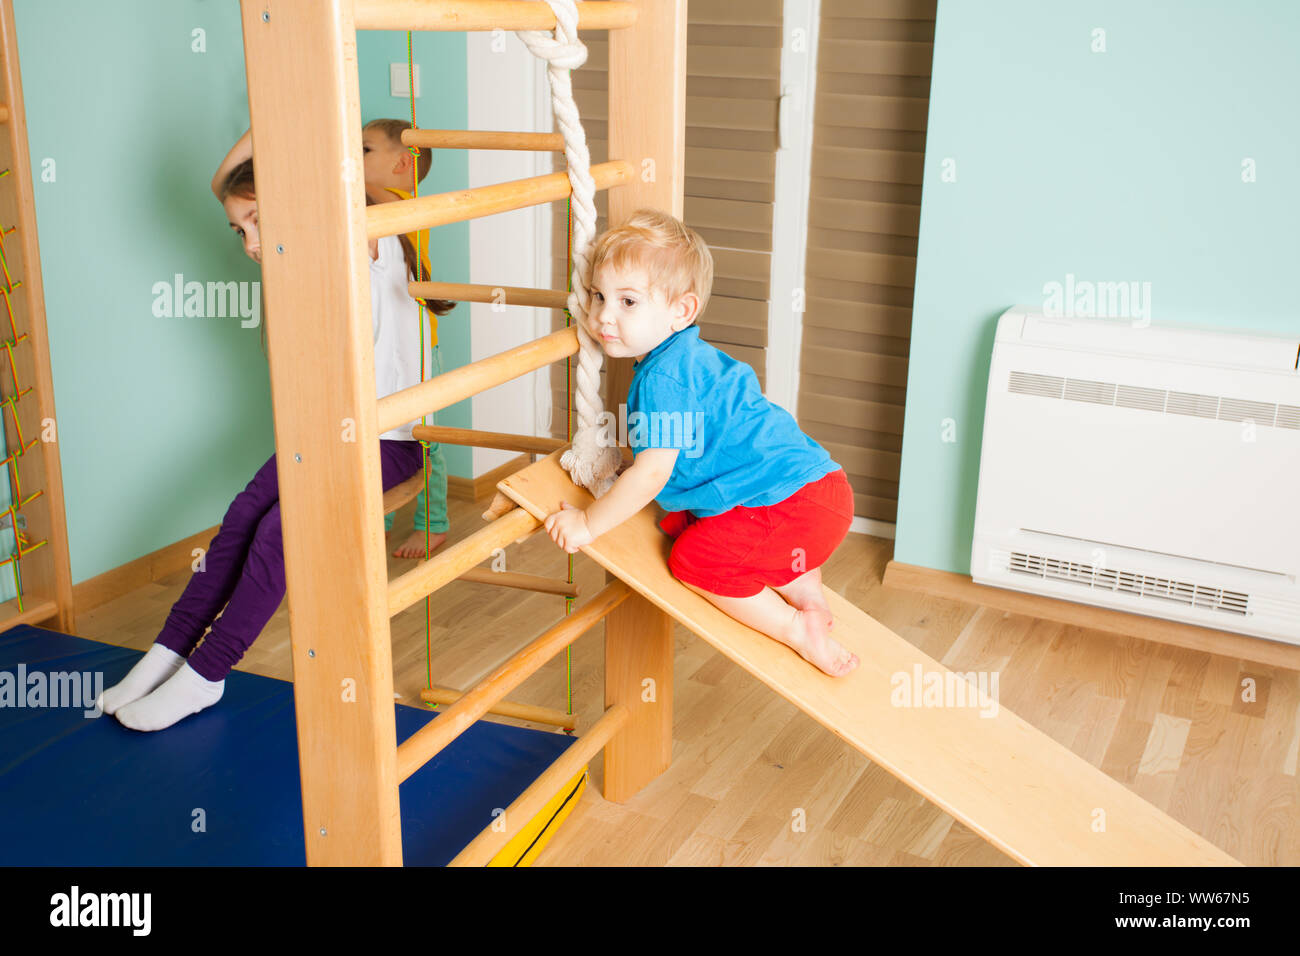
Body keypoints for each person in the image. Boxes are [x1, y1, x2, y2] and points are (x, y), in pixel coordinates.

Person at [96, 134, 453, 731]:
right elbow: (223, 186)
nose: (251, 245)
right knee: (240, 519)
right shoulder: (308, 258)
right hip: (326, 438)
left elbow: (290, 177)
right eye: (240, 232)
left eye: (258, 221)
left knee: (276, 534)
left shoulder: (361, 233)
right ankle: (165, 655)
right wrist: (269, 129)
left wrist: (295, 110)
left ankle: (206, 675)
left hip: (388, 448)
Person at [542, 209, 859, 677]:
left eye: (628, 302)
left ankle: (797, 628)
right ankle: (805, 589)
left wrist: (588, 525)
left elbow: (652, 474)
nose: (604, 315)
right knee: (681, 522)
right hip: (819, 492)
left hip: (794, 507)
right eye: (598, 296)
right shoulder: (689, 357)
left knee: (694, 561)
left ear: (681, 311)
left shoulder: (663, 379)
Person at [363, 118, 451, 559]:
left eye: (362, 151)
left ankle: (432, 523)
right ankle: (374, 522)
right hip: (380, 348)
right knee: (376, 437)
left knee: (422, 437)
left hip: (417, 350)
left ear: (401, 163)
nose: (352, 162)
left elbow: (364, 201)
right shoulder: (368, 207)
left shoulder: (403, 203)